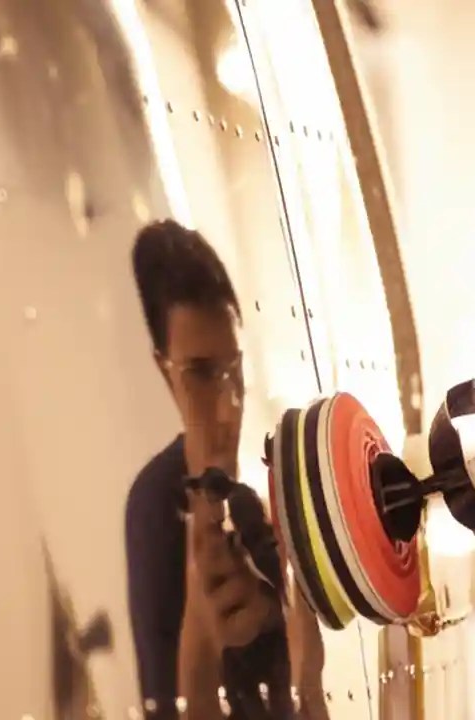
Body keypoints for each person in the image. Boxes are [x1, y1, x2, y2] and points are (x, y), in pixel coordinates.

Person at [127, 220, 327, 719]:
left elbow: (304, 700)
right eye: (199, 374)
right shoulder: (154, 506)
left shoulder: (258, 500)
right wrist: (203, 620)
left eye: (233, 370)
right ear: (163, 369)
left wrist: (285, 620)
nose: (227, 406)